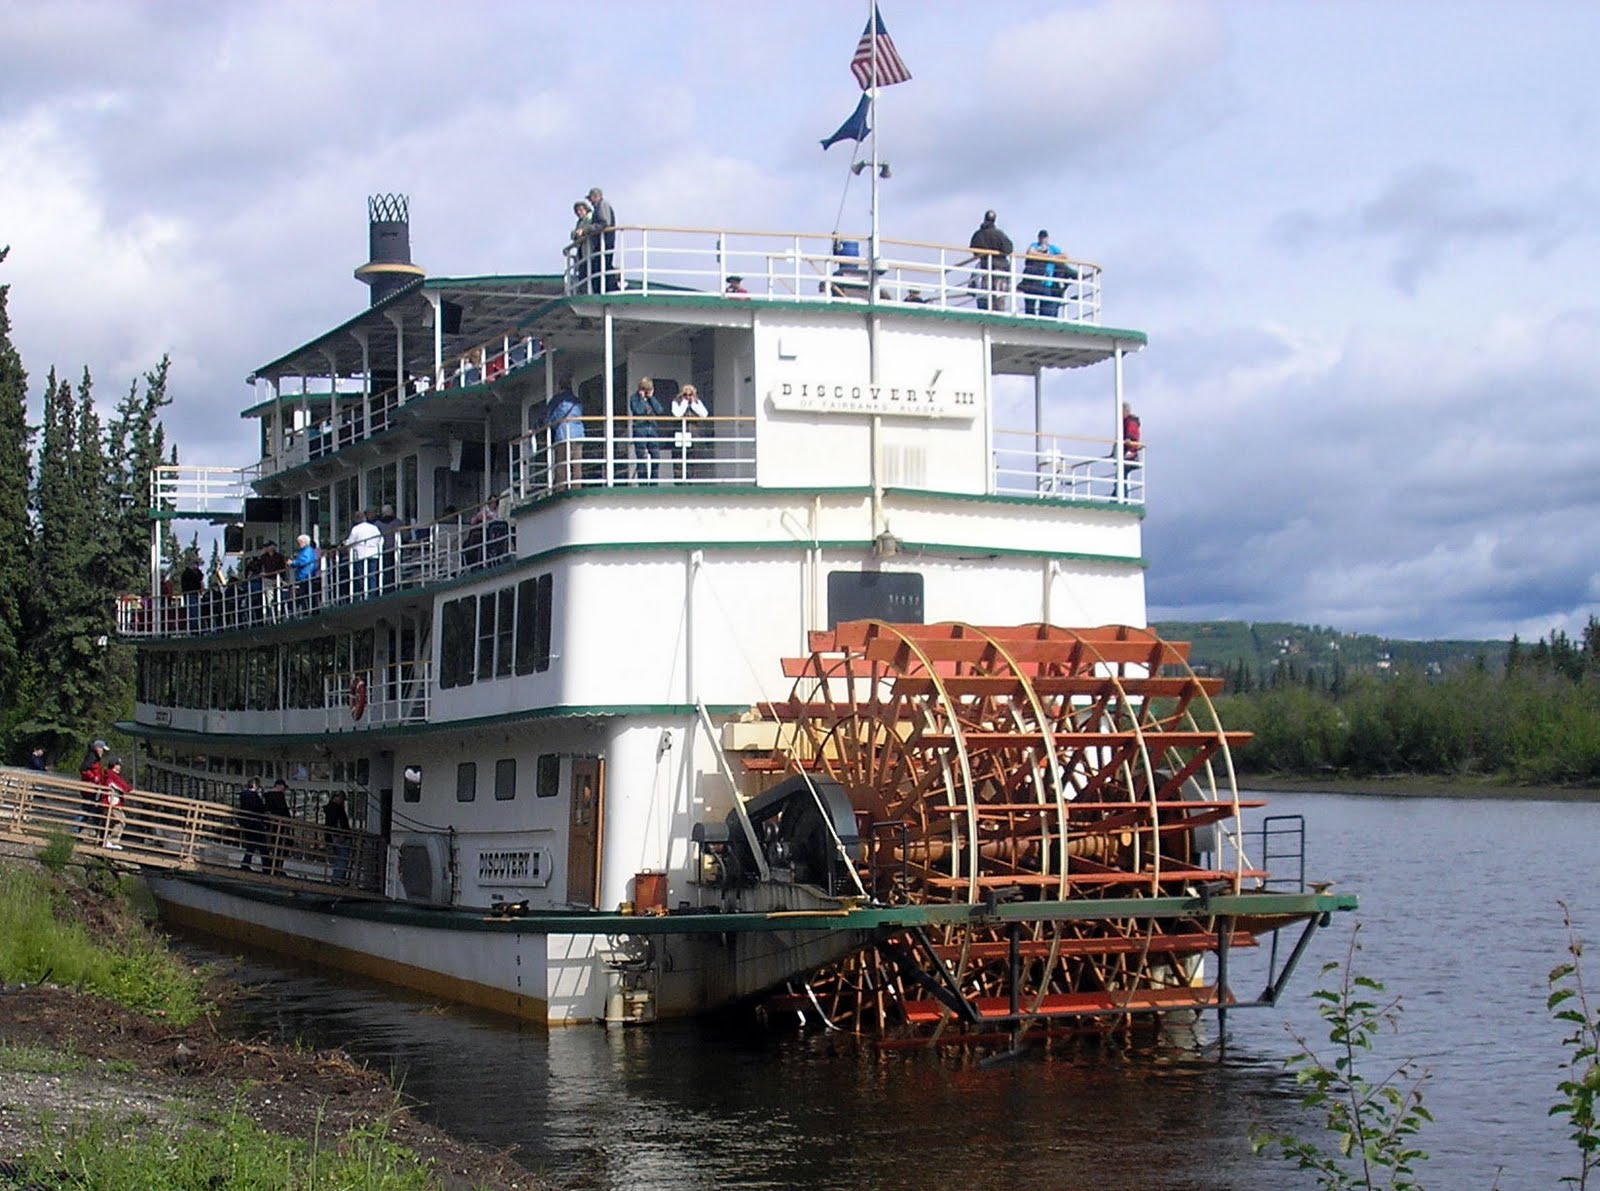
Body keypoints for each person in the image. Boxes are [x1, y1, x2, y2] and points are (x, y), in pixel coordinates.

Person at [541, 379, 586, 490]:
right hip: (578, 434)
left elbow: (550, 417)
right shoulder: (576, 401)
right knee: (577, 465)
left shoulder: (557, 400)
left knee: (562, 464)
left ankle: (561, 489)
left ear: (559, 387)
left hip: (563, 434)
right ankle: (577, 487)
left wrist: (541, 426)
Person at [968, 210, 1013, 312]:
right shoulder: (999, 234)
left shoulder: (978, 234)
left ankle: (984, 311)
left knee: (983, 296)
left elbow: (974, 250)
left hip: (984, 266)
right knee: (999, 299)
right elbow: (1009, 249)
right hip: (1000, 267)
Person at [628, 378, 665, 483]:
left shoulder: (652, 399)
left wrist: (651, 398)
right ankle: (643, 483)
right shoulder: (634, 398)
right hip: (640, 430)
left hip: (652, 430)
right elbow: (637, 410)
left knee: (656, 457)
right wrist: (641, 398)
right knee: (641, 457)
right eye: (645, 389)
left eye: (649, 389)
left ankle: (654, 482)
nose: (647, 391)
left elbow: (659, 410)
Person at [1021, 229, 1064, 318]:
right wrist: (1047, 257)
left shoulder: (1052, 248)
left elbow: (1064, 256)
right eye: (1041, 237)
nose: (1042, 239)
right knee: (1030, 306)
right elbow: (1030, 252)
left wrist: (1051, 257)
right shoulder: (1034, 245)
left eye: (1044, 238)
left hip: (1047, 282)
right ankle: (1030, 321)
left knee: (1046, 308)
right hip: (1033, 280)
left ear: (1047, 238)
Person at [671, 384, 709, 482]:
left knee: (692, 458)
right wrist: (684, 403)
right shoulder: (676, 402)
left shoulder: (697, 402)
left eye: (690, 394)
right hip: (680, 434)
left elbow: (704, 414)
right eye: (685, 394)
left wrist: (693, 404)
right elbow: (677, 414)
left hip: (693, 435)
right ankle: (679, 481)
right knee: (679, 459)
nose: (688, 397)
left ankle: (690, 480)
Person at [344, 510, 383, 600]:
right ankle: (373, 594)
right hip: (374, 553)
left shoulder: (356, 529)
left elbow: (351, 542)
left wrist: (346, 544)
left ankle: (364, 594)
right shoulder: (374, 528)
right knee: (372, 575)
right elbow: (380, 540)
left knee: (361, 576)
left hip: (361, 554)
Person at [587, 187, 618, 292]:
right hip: (602, 242)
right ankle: (604, 288)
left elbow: (605, 223)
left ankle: (610, 288)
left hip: (605, 241)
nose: (590, 202)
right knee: (601, 265)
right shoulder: (599, 207)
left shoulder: (603, 205)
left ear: (596, 197)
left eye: (590, 199)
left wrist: (589, 229)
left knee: (605, 264)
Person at [99, 756, 132, 850]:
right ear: (114, 765)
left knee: (114, 822)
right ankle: (111, 842)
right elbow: (120, 786)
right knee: (120, 821)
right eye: (118, 765)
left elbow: (122, 784)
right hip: (111, 804)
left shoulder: (112, 775)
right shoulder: (111, 775)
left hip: (112, 804)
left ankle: (106, 840)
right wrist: (128, 790)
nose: (120, 767)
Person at [77, 739, 108, 835]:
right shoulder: (92, 757)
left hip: (92, 788)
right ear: (98, 748)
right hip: (89, 788)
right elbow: (83, 769)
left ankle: (78, 829)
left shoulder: (94, 758)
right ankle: (75, 829)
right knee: (88, 809)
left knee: (89, 809)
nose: (103, 751)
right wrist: (94, 778)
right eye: (102, 749)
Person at [237, 777, 268, 871]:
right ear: (255, 785)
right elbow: (260, 808)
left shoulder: (243, 795)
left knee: (251, 845)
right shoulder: (254, 796)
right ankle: (267, 867)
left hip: (246, 822)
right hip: (256, 823)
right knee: (262, 846)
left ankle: (245, 864)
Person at [264, 777, 293, 876]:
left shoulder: (268, 796)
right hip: (281, 827)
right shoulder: (278, 796)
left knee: (273, 848)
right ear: (279, 786)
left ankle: (271, 868)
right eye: (283, 788)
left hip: (273, 827)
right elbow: (283, 811)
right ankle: (277, 868)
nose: (284, 790)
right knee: (281, 848)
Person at [324, 790, 353, 884]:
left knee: (341, 859)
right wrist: (339, 836)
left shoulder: (332, 808)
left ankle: (338, 879)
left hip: (338, 837)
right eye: (342, 798)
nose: (342, 801)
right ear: (336, 798)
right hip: (340, 838)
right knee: (342, 858)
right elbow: (334, 823)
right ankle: (338, 880)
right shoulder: (335, 808)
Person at [1115, 402, 1142, 500]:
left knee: (1121, 477)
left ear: (1125, 411)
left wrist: (1129, 439)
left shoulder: (1131, 422)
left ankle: (1121, 498)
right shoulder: (1127, 422)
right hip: (1127, 453)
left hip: (1130, 454)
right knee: (1121, 477)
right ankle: (1118, 496)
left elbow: (1132, 434)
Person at [570, 199, 595, 293]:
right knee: (582, 272)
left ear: (586, 209)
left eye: (581, 210)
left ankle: (589, 291)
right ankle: (584, 291)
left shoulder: (590, 217)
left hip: (589, 250)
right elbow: (574, 234)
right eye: (577, 211)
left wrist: (581, 232)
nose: (579, 212)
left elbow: (585, 230)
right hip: (582, 252)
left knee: (588, 271)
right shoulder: (579, 222)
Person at [291, 533, 320, 613]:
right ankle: (308, 611)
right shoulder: (306, 550)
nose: (299, 544)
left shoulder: (307, 550)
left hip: (306, 576)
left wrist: (293, 563)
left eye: (300, 542)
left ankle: (310, 611)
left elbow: (304, 561)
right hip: (305, 576)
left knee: (306, 594)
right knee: (306, 595)